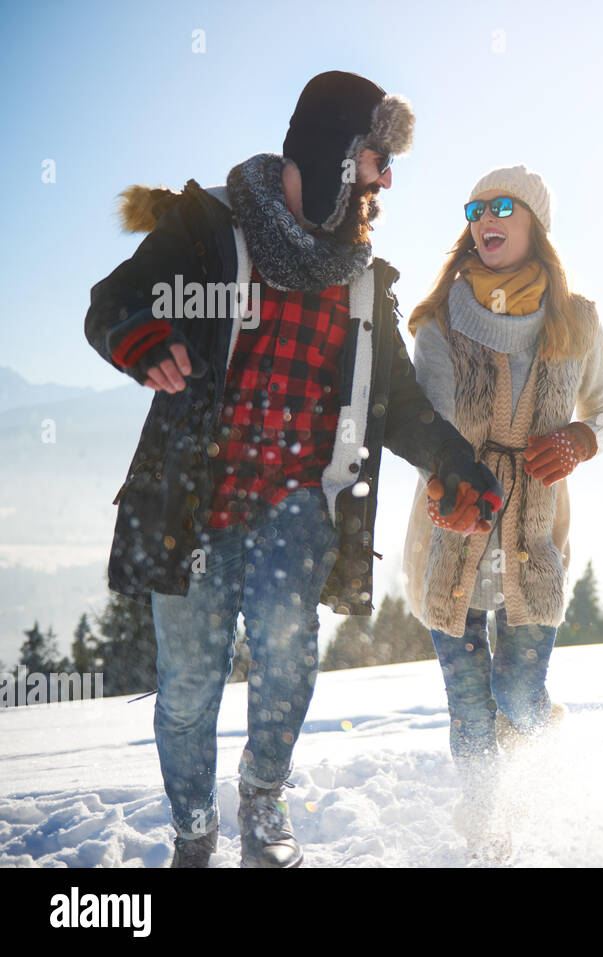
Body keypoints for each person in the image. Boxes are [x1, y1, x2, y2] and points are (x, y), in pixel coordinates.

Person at [84, 71, 501, 868]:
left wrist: (458, 465)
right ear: (334, 150)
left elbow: (402, 401)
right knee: (189, 690)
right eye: (377, 157)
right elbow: (113, 299)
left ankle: (264, 799)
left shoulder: (361, 278)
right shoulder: (206, 230)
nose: (386, 178)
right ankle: (194, 822)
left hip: (296, 501)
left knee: (287, 651)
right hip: (196, 503)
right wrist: (138, 334)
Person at [402, 166, 603, 862]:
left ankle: (539, 739)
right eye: (474, 208)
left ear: (534, 224)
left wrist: (585, 439)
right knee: (470, 707)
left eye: (501, 206)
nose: (484, 218)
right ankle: (486, 839)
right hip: (454, 534)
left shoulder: (578, 318)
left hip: (534, 540)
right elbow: (420, 426)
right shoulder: (439, 323)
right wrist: (444, 481)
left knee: (519, 697)